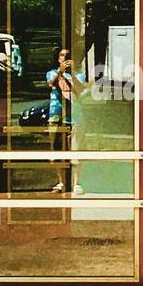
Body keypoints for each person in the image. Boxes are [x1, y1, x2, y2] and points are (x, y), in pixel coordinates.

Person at [46, 47, 84, 194]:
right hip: (56, 115)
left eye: (68, 56)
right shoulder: (52, 73)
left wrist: (72, 73)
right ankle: (61, 182)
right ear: (58, 59)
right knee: (56, 150)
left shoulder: (79, 76)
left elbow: (80, 90)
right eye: (62, 56)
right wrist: (60, 72)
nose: (65, 59)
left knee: (76, 149)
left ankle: (76, 183)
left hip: (75, 117)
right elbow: (51, 84)